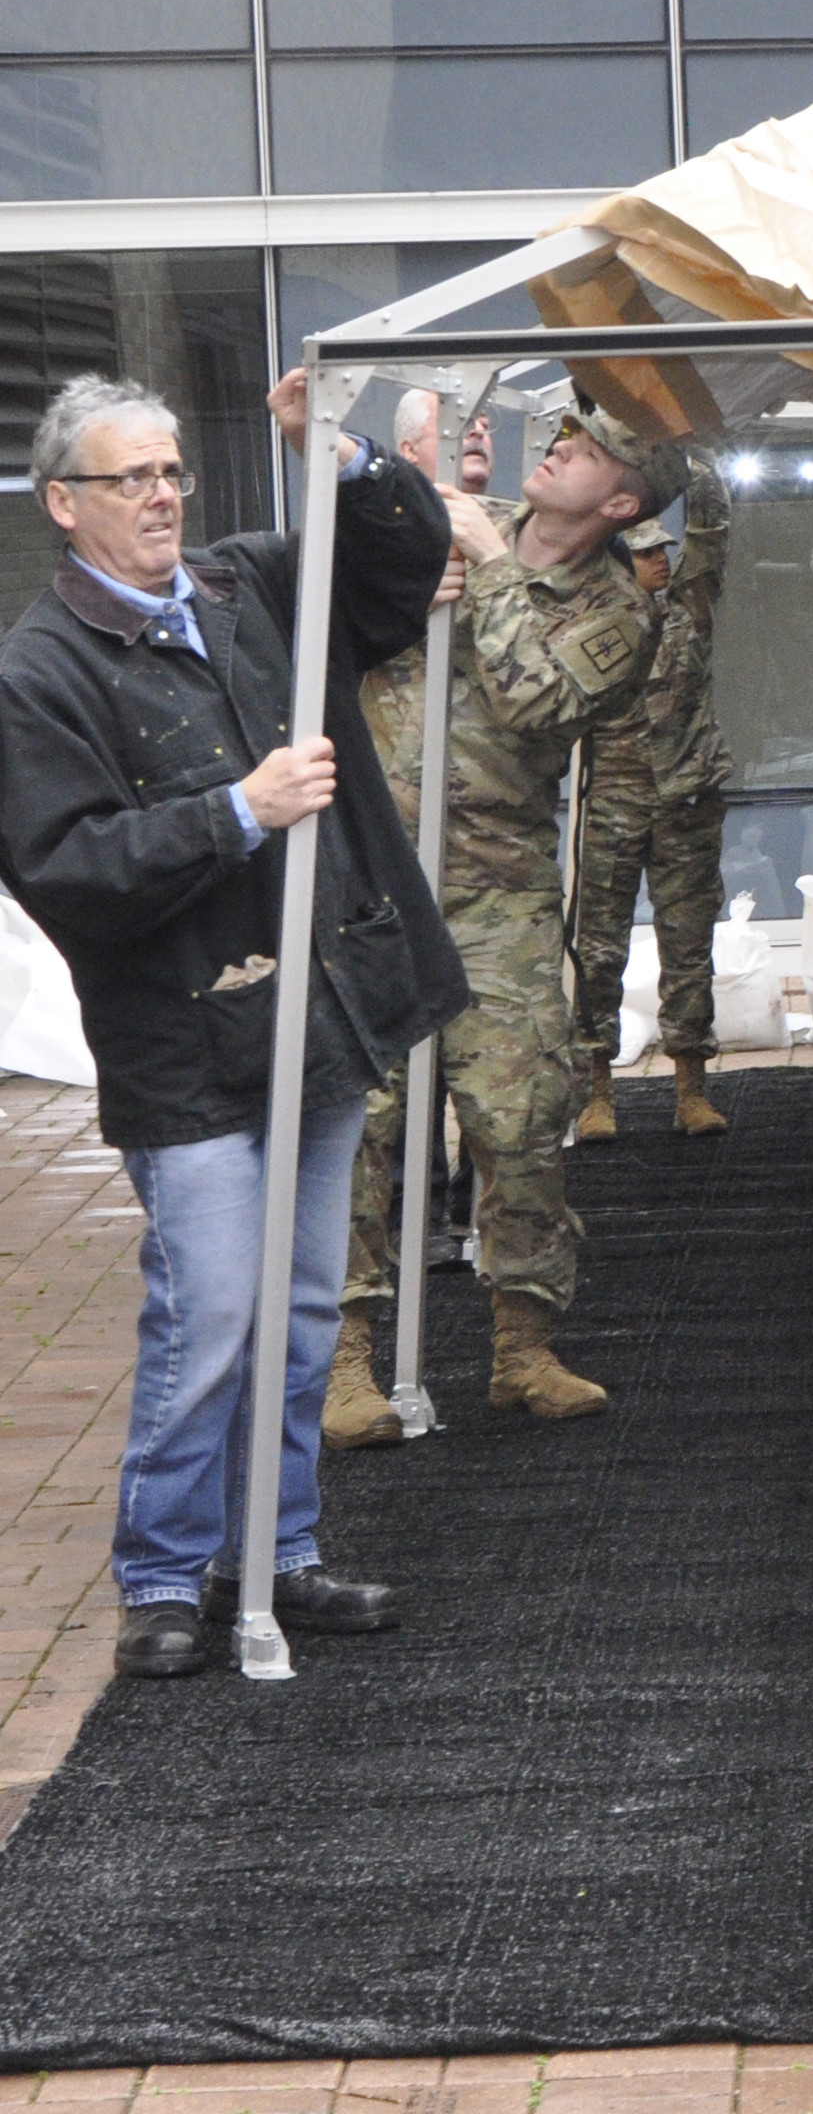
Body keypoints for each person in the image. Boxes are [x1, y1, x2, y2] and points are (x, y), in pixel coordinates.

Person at [0, 369, 460, 1678]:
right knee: (211, 1309)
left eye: (169, 471)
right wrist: (239, 812)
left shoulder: (248, 585)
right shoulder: (36, 673)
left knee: (307, 1306)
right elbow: (63, 865)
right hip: (186, 1046)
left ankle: (276, 1556)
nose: (158, 495)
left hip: (315, 1024)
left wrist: (346, 455)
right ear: (63, 504)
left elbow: (399, 565)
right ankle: (161, 1578)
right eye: (127, 478)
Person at [341, 400, 669, 1432]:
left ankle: (523, 1348)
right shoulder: (441, 517)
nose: (559, 445)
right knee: (357, 1122)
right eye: (565, 432)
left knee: (521, 1120)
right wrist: (411, 578)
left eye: (590, 449)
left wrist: (484, 568)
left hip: (497, 890)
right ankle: (346, 1356)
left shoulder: (619, 611)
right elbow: (325, 606)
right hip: (375, 880)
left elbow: (539, 703)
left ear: (620, 502)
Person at [570, 458, 735, 1144]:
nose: (660, 563)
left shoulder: (689, 610)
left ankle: (691, 1088)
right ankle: (595, 1092)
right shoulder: (597, 627)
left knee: (688, 947)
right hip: (614, 798)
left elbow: (714, 532)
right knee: (598, 952)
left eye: (663, 551)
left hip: (688, 798)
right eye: (644, 555)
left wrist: (693, 463)